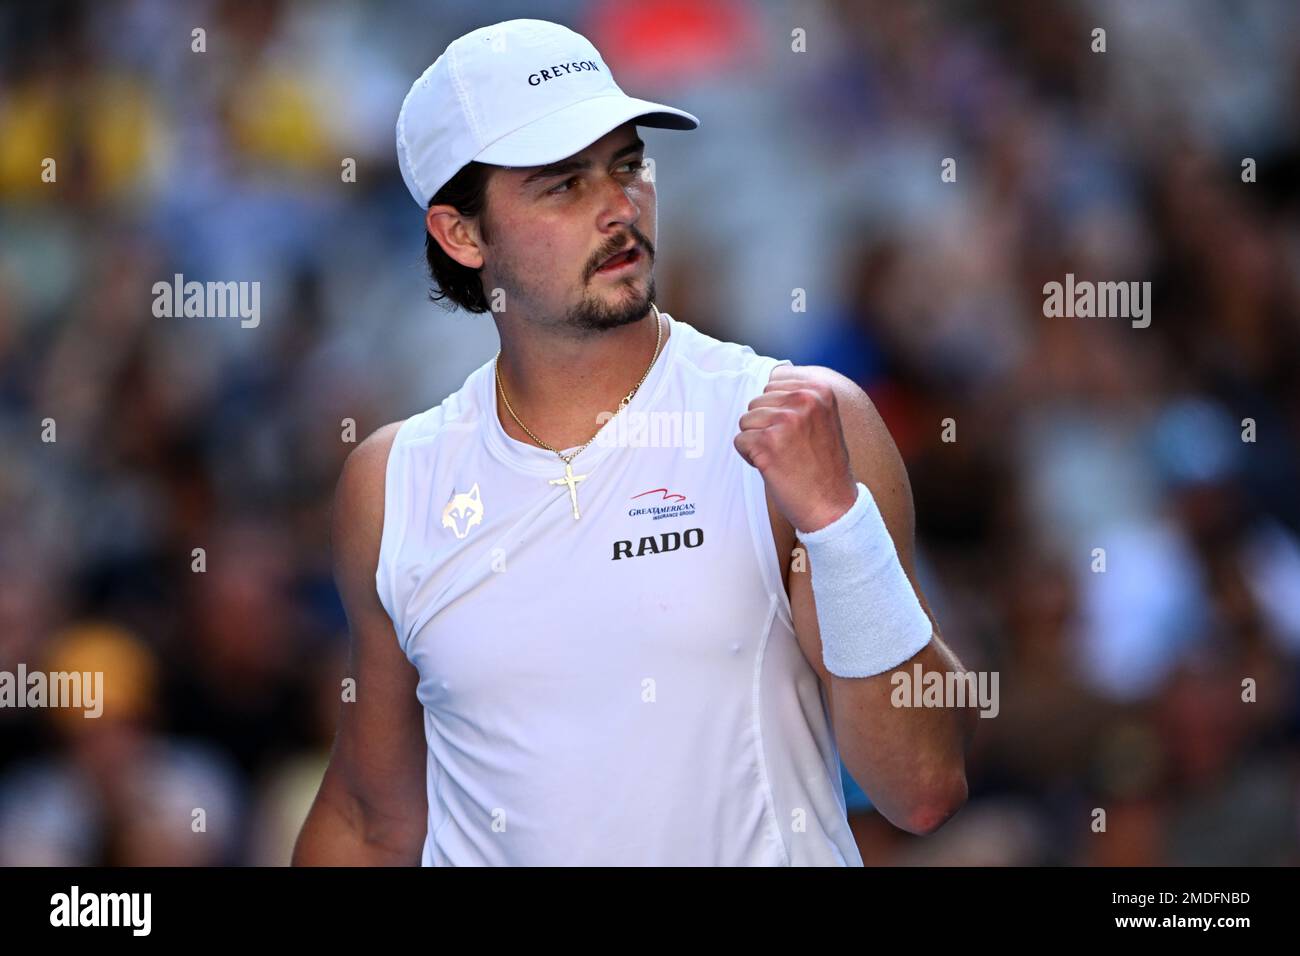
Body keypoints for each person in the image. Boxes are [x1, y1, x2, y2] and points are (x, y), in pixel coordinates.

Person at [293, 18, 974, 867]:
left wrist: (837, 522)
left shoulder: (802, 420)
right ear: (461, 235)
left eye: (625, 165)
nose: (619, 207)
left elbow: (922, 786)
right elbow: (370, 818)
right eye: (563, 185)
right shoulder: (390, 481)